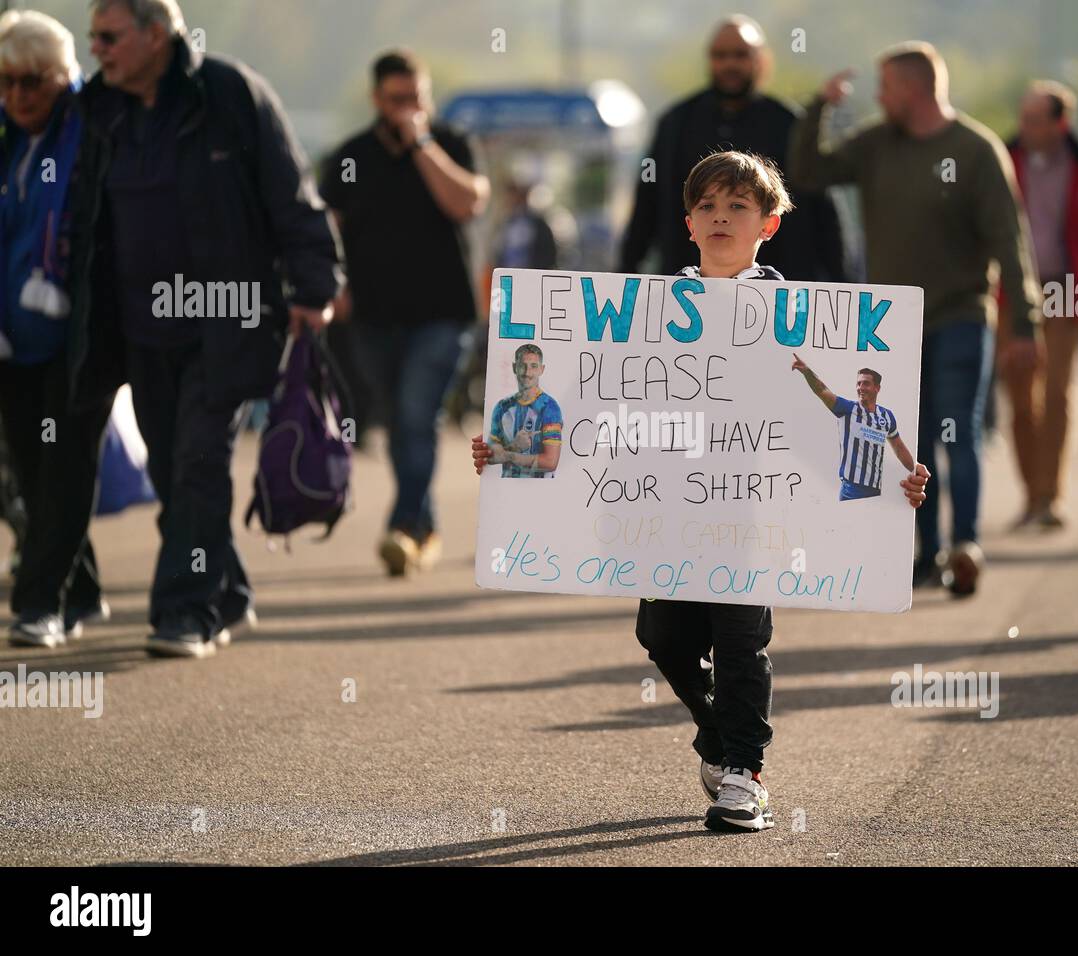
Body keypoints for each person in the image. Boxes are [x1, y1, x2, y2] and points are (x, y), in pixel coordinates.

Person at [476, 150, 931, 832]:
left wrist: (901, 481)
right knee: (663, 636)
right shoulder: (643, 313)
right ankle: (718, 733)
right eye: (708, 208)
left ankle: (745, 773)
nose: (721, 218)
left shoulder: (800, 318)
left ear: (768, 226)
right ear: (687, 223)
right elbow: (588, 405)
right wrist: (505, 450)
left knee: (742, 640)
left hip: (756, 514)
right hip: (664, 515)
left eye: (737, 208)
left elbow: (830, 422)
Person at [66, 0, 342, 658]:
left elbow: (291, 194)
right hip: (138, 325)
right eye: (91, 37)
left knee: (197, 462)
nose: (96, 49)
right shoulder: (98, 107)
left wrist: (315, 286)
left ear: (155, 33)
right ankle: (230, 589)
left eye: (109, 36)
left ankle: (185, 612)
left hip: (228, 317)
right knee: (171, 467)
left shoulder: (232, 93)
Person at [790, 42, 1040, 597]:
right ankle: (926, 554)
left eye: (886, 87)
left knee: (960, 431)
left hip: (961, 314)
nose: (879, 98)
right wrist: (817, 110)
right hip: (895, 324)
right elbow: (808, 172)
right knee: (909, 439)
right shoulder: (878, 145)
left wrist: (1026, 324)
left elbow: (1010, 241)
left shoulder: (976, 150)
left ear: (915, 88)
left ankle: (965, 545)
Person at [321, 49, 488, 578]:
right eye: (397, 100)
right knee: (400, 425)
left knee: (417, 415)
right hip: (374, 316)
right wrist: (332, 284)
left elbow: (467, 203)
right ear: (377, 99)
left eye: (417, 97)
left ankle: (402, 527)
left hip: (443, 313)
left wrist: (421, 143)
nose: (408, 108)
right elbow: (325, 227)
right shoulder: (350, 155)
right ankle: (423, 528)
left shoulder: (451, 142)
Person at [0, 10, 113, 648]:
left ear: (63, 79)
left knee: (65, 467)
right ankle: (85, 591)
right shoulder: (6, 137)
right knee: (37, 475)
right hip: (12, 340)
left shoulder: (93, 127)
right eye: (6, 82)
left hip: (81, 336)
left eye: (32, 82)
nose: (17, 96)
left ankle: (37, 604)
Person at [619, 15, 845, 283]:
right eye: (720, 55)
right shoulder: (676, 124)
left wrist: (844, 289)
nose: (729, 64)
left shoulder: (788, 124)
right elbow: (647, 203)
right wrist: (624, 276)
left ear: (759, 60)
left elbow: (823, 212)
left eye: (740, 55)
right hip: (686, 295)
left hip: (777, 298)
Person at [1002, 80, 1078, 529]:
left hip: (1067, 290)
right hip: (1013, 292)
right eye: (1023, 118)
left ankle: (1050, 497)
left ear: (1060, 123)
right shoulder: (1004, 160)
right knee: (1019, 394)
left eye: (1035, 120)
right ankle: (1031, 495)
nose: (1026, 127)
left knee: (1057, 393)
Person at [791, 359, 917, 500]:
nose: (861, 387)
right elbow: (821, 390)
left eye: (866, 383)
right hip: (851, 490)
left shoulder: (887, 416)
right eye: (858, 383)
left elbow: (898, 448)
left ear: (877, 388)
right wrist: (807, 372)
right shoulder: (847, 409)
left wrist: (916, 470)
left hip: (876, 491)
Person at [483, 344, 562, 478]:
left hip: (540, 492)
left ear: (541, 369)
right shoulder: (502, 407)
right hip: (508, 492)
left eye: (533, 366)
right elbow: (490, 457)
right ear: (514, 367)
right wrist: (514, 446)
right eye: (522, 366)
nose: (527, 372)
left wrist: (510, 455)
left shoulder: (549, 407)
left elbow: (550, 462)